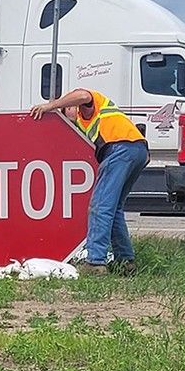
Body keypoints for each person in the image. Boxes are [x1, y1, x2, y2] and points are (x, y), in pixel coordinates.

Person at [30, 88, 149, 275]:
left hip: (120, 149)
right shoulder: (84, 122)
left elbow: (83, 95)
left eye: (65, 108)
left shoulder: (89, 105)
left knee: (100, 207)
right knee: (114, 209)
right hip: (138, 150)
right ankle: (125, 262)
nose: (66, 112)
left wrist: (51, 106)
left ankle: (95, 262)